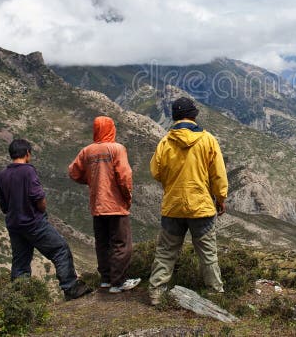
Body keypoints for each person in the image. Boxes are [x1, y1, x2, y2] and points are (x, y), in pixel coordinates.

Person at [147, 96, 228, 305]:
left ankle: (156, 293)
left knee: (166, 253)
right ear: (194, 116)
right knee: (208, 254)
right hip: (201, 206)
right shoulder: (208, 140)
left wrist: (172, 181)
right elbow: (218, 174)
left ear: (174, 117)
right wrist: (220, 198)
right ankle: (215, 293)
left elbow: (156, 171)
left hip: (173, 206)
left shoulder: (165, 142)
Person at [0, 138, 92, 301]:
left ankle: (19, 300)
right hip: (33, 223)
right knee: (60, 249)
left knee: (20, 262)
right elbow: (38, 196)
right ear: (27, 154)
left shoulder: (2, 175)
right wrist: (41, 209)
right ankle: (70, 287)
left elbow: (4, 206)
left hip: (14, 225)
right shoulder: (28, 170)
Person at [68, 116, 141, 294]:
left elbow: (73, 172)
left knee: (102, 243)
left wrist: (91, 180)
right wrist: (127, 197)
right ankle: (119, 282)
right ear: (111, 129)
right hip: (115, 204)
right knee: (121, 243)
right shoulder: (117, 149)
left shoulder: (87, 151)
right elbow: (124, 177)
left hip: (97, 205)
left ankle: (106, 280)